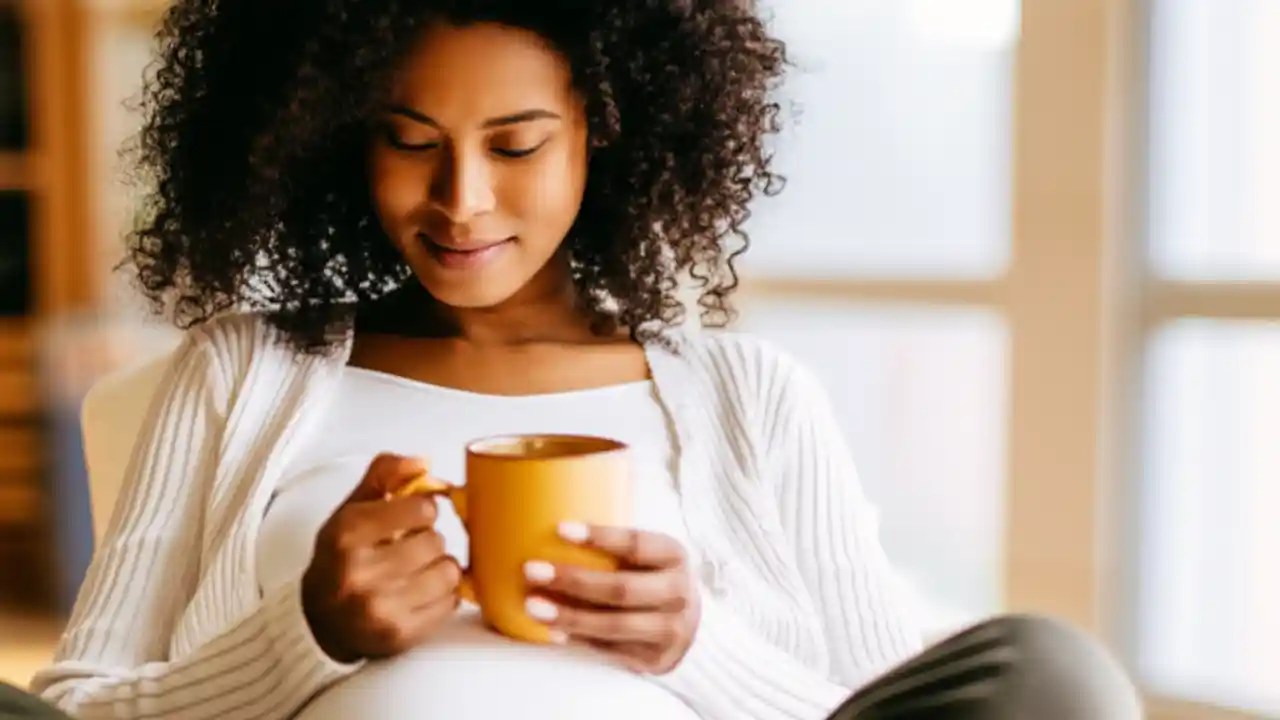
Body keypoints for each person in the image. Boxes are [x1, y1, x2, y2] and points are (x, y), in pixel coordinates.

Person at [27, 1, 1142, 718]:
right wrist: (303, 636)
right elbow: (78, 709)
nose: (460, 202)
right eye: (408, 141)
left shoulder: (748, 397)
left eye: (515, 145)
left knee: (1050, 677)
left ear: (604, 130)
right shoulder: (243, 372)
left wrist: (693, 647)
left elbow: (865, 708)